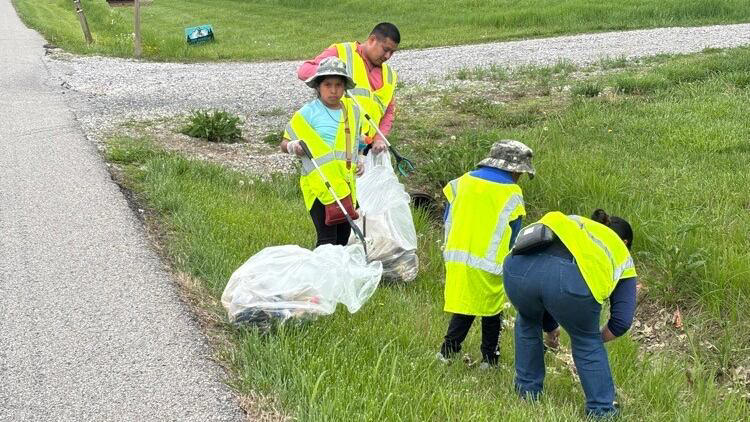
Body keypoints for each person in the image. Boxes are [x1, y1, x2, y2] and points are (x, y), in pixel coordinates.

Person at [502, 209, 637, 418]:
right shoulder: (620, 251)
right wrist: (592, 341)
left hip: (517, 270)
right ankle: (601, 411)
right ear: (626, 242)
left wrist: (551, 328)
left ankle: (526, 392)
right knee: (586, 341)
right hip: (570, 286)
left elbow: (544, 275)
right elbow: (621, 321)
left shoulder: (574, 221)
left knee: (528, 321)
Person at [437, 140, 535, 369]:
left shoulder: (461, 182)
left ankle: (447, 352)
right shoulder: (511, 192)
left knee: (465, 305)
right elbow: (514, 234)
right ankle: (490, 360)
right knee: (491, 311)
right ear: (512, 169)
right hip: (490, 262)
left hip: (456, 255)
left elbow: (446, 217)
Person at [281, 57, 366, 247]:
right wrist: (293, 146)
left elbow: (356, 142)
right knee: (327, 239)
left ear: (345, 87)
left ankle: (338, 275)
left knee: (344, 237)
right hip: (319, 184)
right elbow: (284, 143)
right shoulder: (307, 113)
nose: (334, 90)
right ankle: (321, 275)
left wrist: (359, 159)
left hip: (345, 185)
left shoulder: (353, 112)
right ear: (318, 87)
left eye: (338, 85)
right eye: (328, 85)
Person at [298, 22, 400, 155]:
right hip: (335, 143)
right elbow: (303, 71)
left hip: (367, 150)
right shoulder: (342, 52)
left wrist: (380, 139)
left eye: (392, 52)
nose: (387, 56)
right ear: (372, 40)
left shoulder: (390, 75)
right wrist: (335, 75)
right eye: (385, 49)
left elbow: (388, 111)